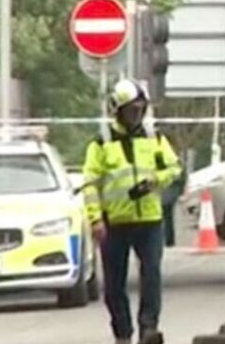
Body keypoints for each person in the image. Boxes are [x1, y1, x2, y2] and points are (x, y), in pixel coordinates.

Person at [83, 79, 182, 344]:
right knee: (114, 285)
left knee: (151, 274)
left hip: (149, 219)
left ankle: (148, 328)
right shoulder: (101, 144)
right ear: (117, 111)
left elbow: (174, 169)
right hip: (114, 222)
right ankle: (123, 334)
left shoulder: (154, 137)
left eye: (139, 109)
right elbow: (91, 184)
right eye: (130, 110)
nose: (135, 115)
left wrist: (155, 181)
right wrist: (96, 219)